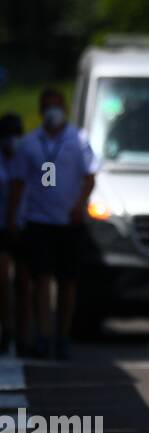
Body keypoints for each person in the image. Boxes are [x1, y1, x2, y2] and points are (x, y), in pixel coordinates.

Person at [7, 88, 100, 360]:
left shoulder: (78, 140)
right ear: (40, 111)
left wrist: (78, 205)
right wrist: (13, 217)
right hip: (38, 221)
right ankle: (44, 335)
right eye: (47, 106)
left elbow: (90, 176)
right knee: (42, 279)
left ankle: (63, 334)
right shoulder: (29, 143)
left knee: (68, 281)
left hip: (68, 221)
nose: (52, 112)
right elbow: (18, 183)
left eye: (56, 106)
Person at [0, 113, 24, 353]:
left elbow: (50, 183)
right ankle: (7, 328)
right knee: (3, 279)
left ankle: (27, 332)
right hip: (4, 227)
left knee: (27, 281)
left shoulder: (34, 154)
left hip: (29, 224)